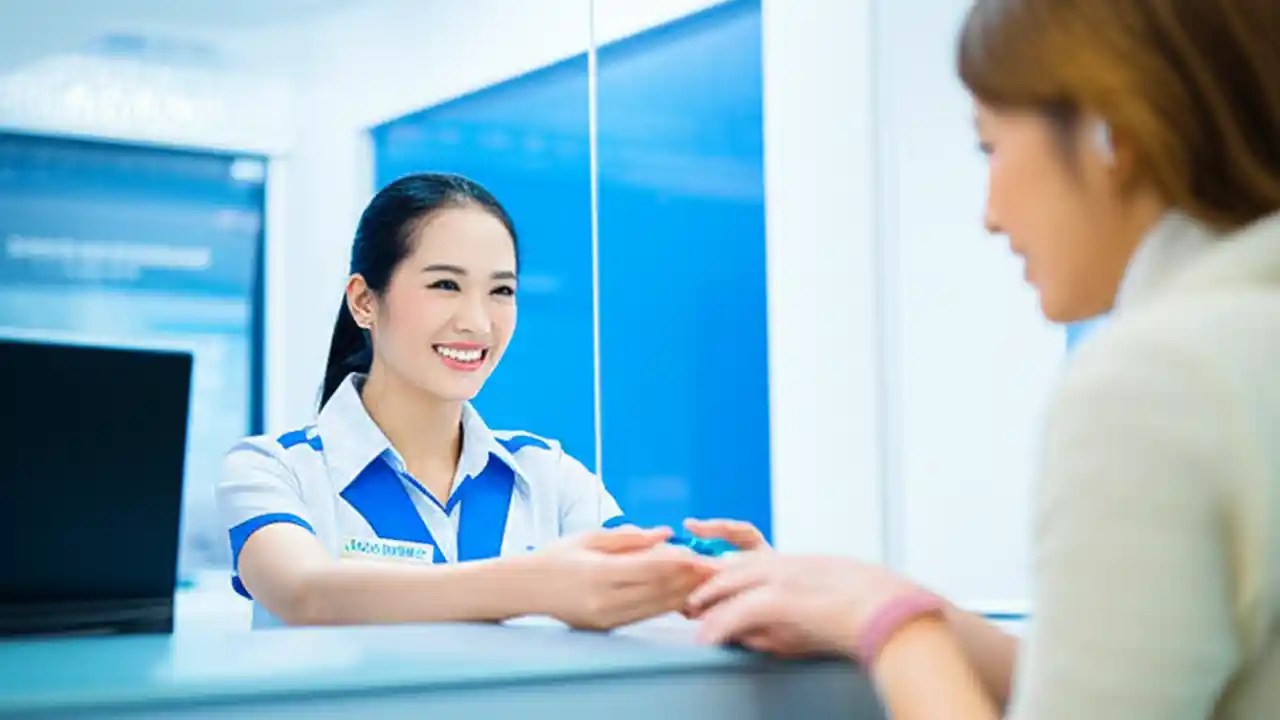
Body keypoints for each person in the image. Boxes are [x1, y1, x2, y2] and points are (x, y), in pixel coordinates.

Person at [687, 0, 1280, 717]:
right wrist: (896, 604)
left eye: (989, 148)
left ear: (1109, 134)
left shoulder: (1156, 379)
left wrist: (892, 630)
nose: (990, 214)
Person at [217, 173, 716, 629]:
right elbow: (307, 595)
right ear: (365, 301)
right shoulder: (274, 468)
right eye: (445, 285)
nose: (478, 322)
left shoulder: (546, 472)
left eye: (501, 291)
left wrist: (732, 575)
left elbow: (655, 579)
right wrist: (539, 585)